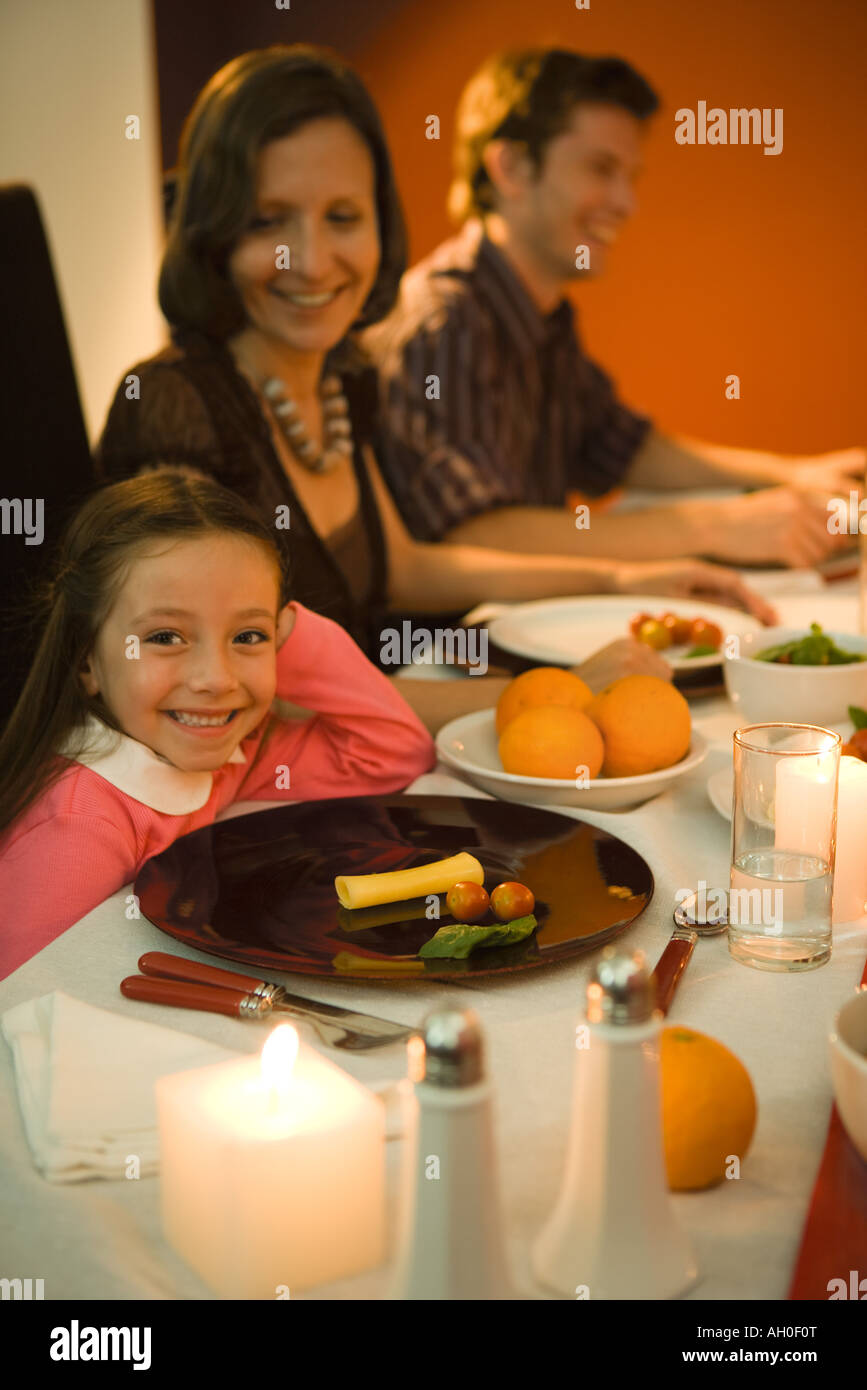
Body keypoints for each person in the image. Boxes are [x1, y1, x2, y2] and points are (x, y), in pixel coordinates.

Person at [97, 46, 775, 736]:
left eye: (341, 217)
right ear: (213, 233)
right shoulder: (175, 409)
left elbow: (405, 568)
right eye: (267, 221)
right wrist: (555, 691)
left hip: (362, 769)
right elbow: (244, 698)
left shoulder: (339, 376)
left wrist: (618, 581)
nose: (308, 260)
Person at [365, 48, 863, 568]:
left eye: (630, 176)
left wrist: (793, 475)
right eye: (601, 169)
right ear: (511, 167)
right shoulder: (446, 321)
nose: (626, 203)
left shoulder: (541, 315)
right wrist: (713, 525)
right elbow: (480, 536)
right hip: (450, 646)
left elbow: (624, 448)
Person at [0, 471, 435, 979]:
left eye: (247, 636)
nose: (215, 678)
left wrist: (287, 635)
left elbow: (395, 752)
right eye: (165, 636)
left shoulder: (230, 751)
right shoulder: (80, 829)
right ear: (86, 661)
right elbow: (27, 1007)